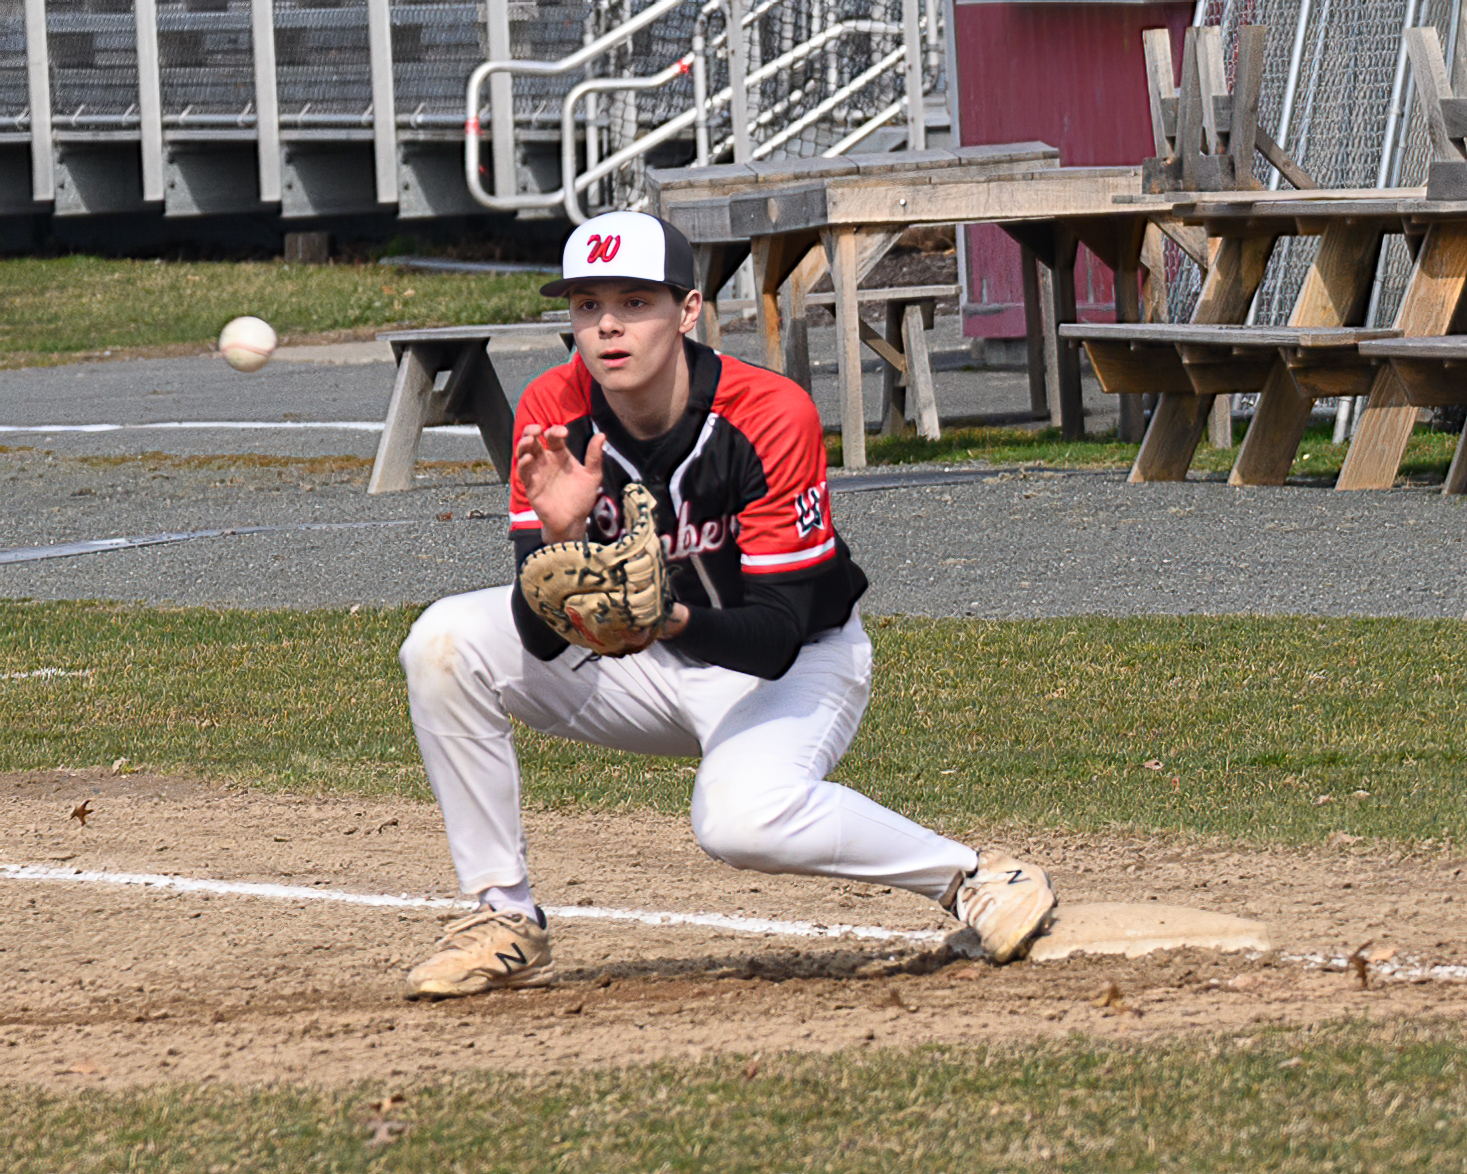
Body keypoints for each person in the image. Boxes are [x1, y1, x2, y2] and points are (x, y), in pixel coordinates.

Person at [397, 211, 1057, 999]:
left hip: (793, 669)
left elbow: (778, 635)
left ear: (688, 310)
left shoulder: (768, 414)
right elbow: (539, 649)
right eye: (586, 306)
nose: (607, 326)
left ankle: (976, 877)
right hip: (643, 669)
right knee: (442, 643)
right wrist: (559, 537)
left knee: (737, 821)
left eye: (634, 301)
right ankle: (503, 916)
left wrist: (664, 619)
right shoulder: (552, 410)